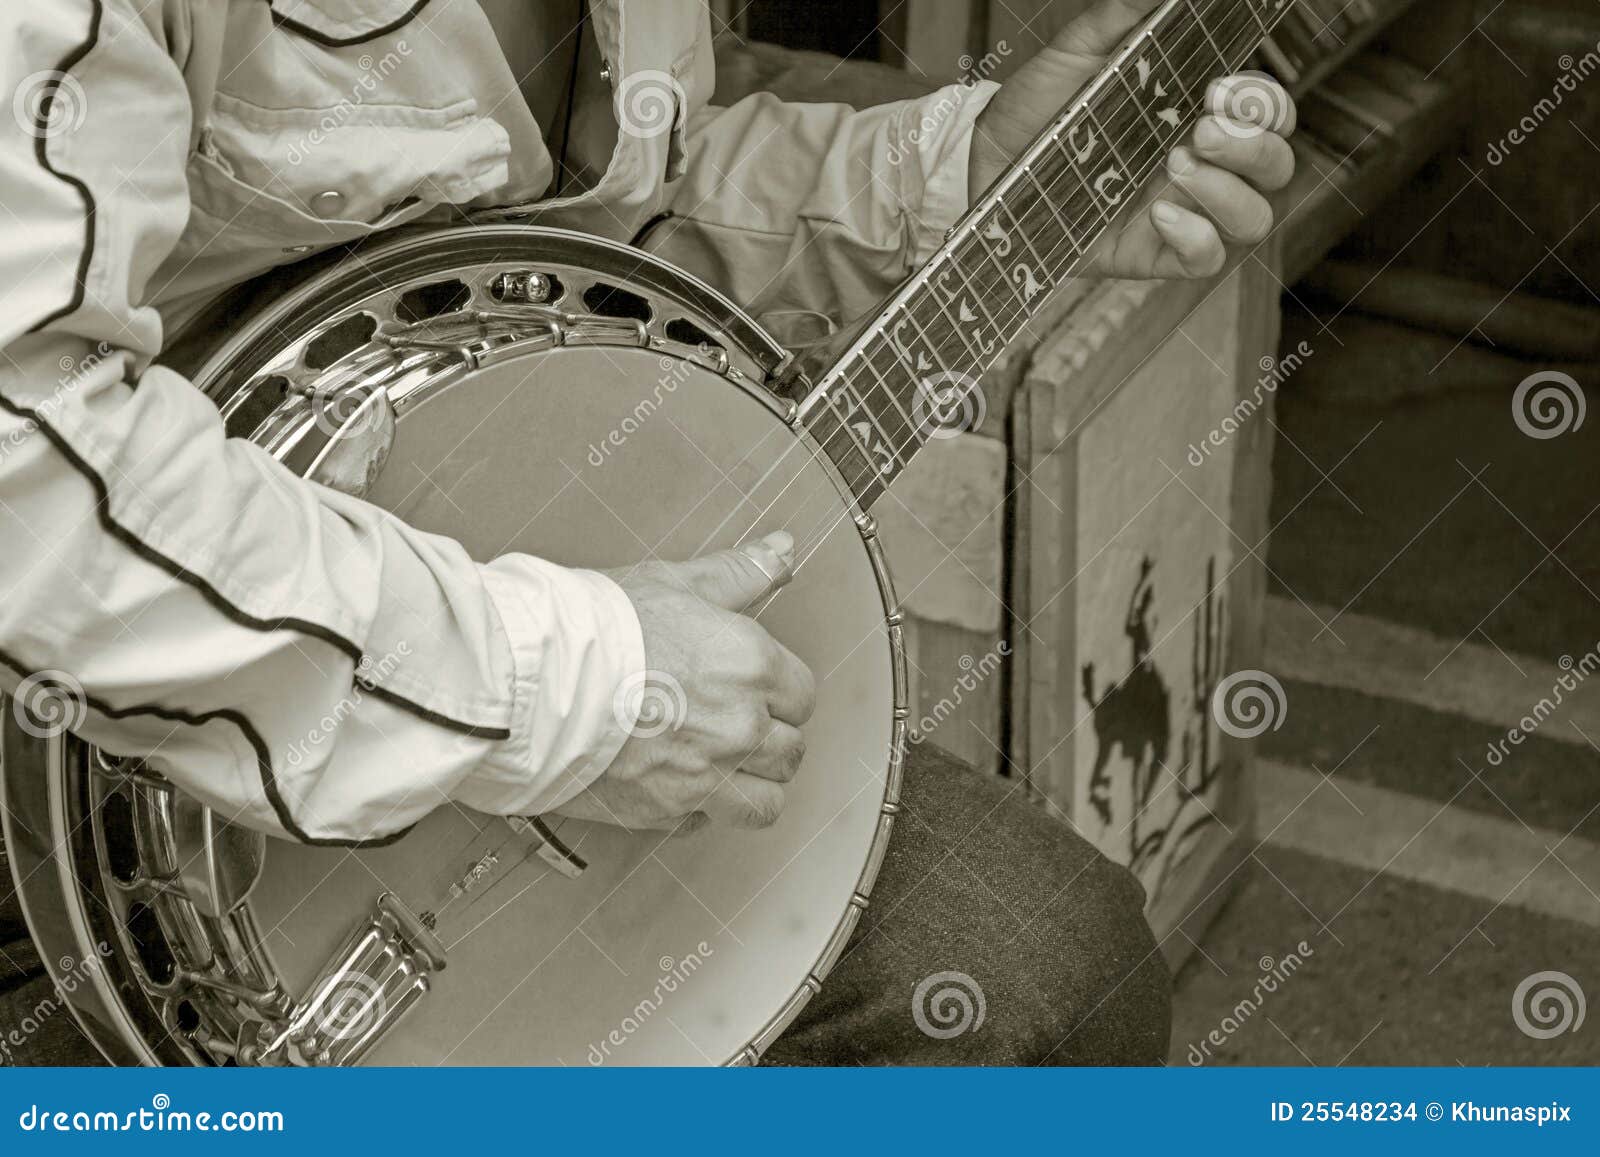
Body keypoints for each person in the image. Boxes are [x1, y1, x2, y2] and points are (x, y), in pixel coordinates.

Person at [0, 0, 1296, 1066]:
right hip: (70, 797)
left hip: (522, 633)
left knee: (1047, 977)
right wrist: (574, 690)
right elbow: (30, 466)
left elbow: (585, 241)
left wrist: (957, 184)